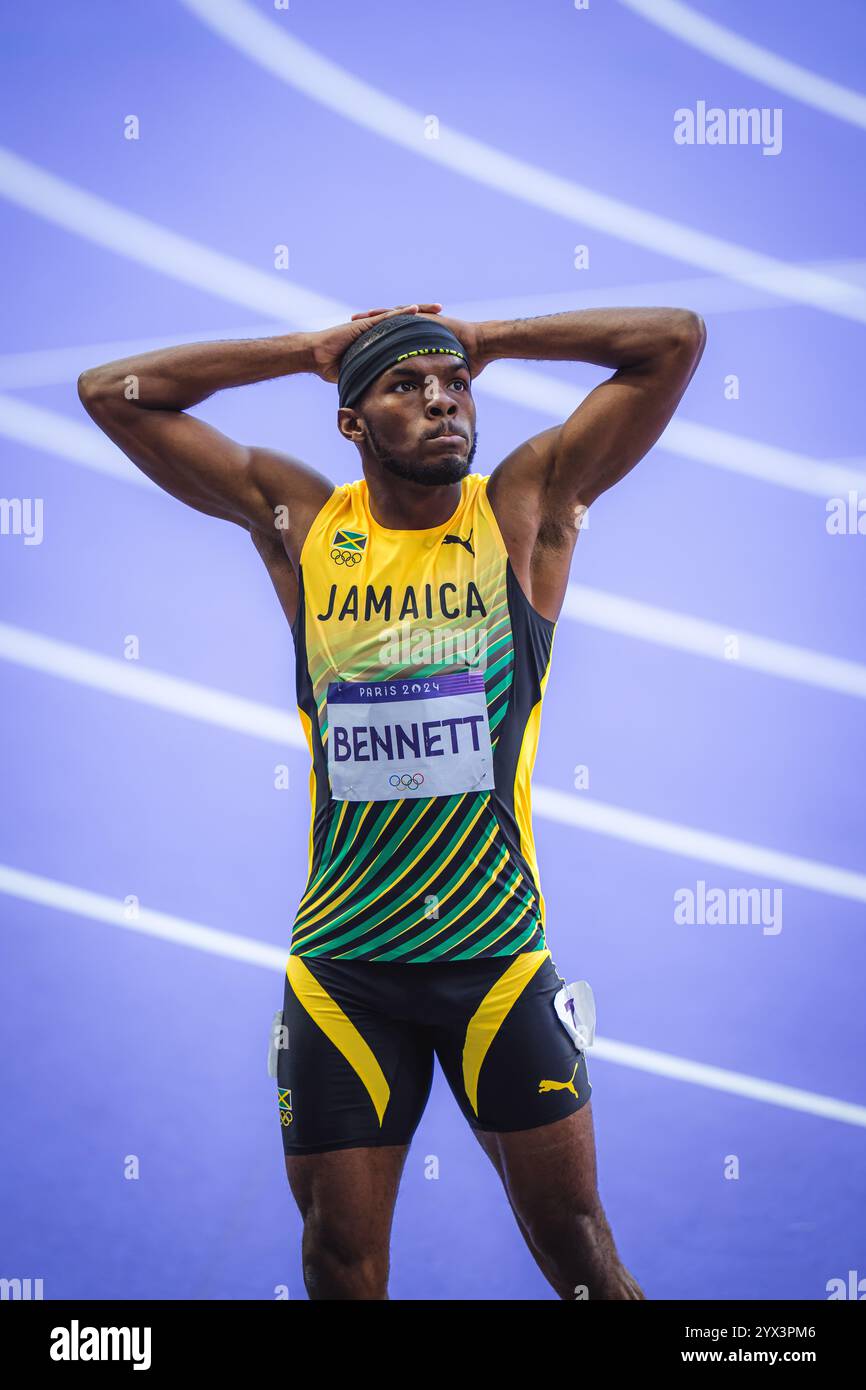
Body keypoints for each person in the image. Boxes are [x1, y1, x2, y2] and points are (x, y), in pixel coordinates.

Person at [78, 300, 706, 1300]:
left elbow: (670, 341)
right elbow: (112, 395)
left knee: (578, 1249)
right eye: (405, 387)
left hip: (494, 958)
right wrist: (301, 349)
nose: (440, 400)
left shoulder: (520, 512)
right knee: (337, 1259)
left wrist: (490, 339)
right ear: (351, 422)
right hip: (344, 971)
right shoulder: (301, 522)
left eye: (452, 384)